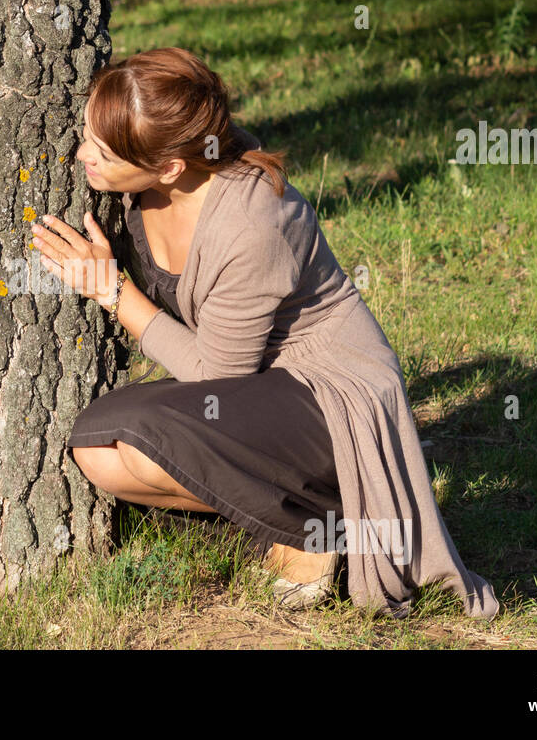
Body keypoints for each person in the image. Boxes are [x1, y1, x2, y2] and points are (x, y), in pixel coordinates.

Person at [39, 47, 498, 619]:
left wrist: (112, 292)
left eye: (102, 153)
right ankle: (300, 527)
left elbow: (216, 376)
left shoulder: (255, 222)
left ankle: (326, 527)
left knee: (127, 433)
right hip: (260, 389)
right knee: (99, 451)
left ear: (171, 166)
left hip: (329, 399)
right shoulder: (155, 161)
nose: (82, 154)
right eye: (87, 135)